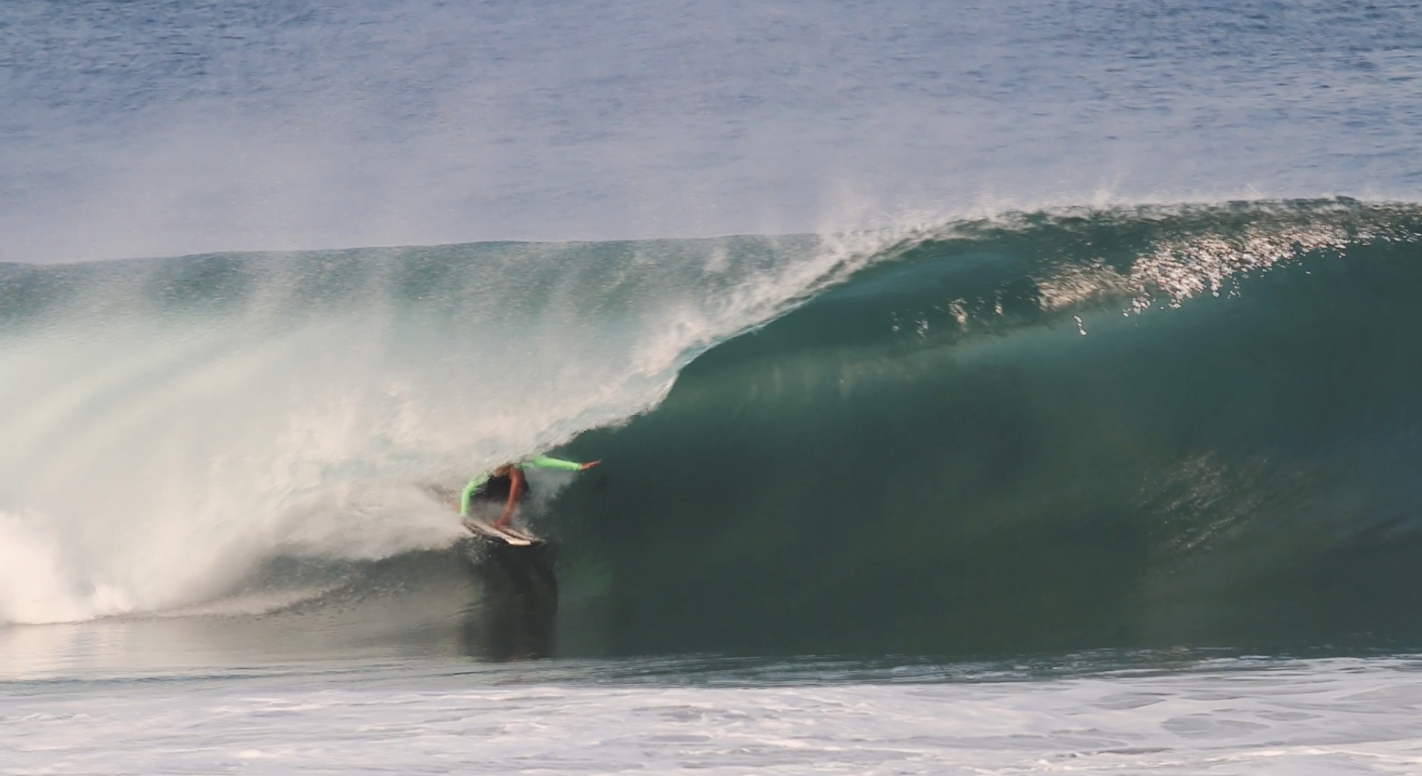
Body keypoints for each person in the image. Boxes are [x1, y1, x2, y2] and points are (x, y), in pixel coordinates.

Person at [459, 455, 600, 528]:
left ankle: (506, 517)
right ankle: (459, 508)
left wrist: (577, 466)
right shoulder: (487, 470)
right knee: (473, 500)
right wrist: (463, 515)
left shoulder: (516, 465)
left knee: (517, 478)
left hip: (520, 493)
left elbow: (544, 461)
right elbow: (468, 490)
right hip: (496, 493)